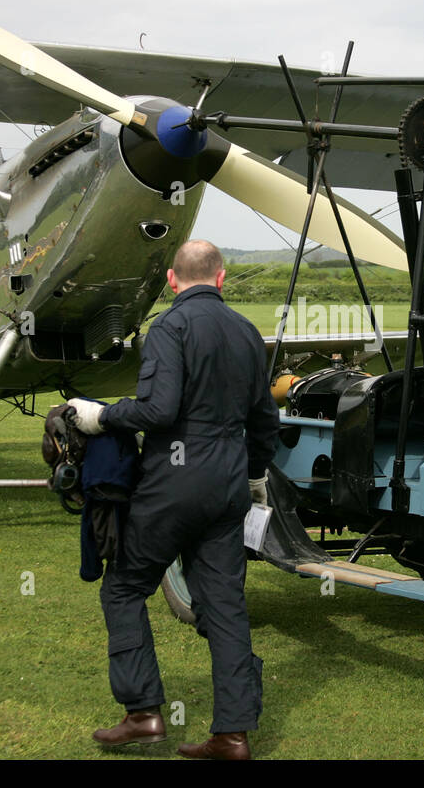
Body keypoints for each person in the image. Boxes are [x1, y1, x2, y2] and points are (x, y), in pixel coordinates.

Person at [67, 239, 279, 760]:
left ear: (171, 279)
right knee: (225, 607)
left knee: (123, 587)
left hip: (174, 481)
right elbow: (265, 421)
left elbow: (159, 411)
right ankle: (233, 736)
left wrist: (102, 416)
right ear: (222, 278)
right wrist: (251, 476)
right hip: (229, 484)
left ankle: (143, 713)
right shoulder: (248, 332)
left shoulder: (169, 327)